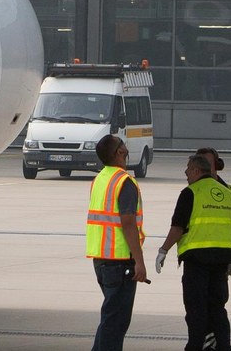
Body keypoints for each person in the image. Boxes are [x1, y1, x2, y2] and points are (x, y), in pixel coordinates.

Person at [155, 150, 231, 351]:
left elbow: (178, 227)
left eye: (187, 171)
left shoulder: (190, 193)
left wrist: (163, 250)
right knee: (218, 308)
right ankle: (223, 347)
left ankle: (196, 346)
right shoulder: (229, 193)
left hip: (197, 259)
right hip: (222, 259)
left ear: (195, 171)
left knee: (196, 309)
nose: (185, 175)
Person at [85, 133, 149, 351]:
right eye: (124, 146)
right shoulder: (125, 183)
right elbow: (128, 223)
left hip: (101, 259)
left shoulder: (99, 179)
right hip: (119, 261)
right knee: (115, 322)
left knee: (111, 319)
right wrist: (139, 262)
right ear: (120, 153)